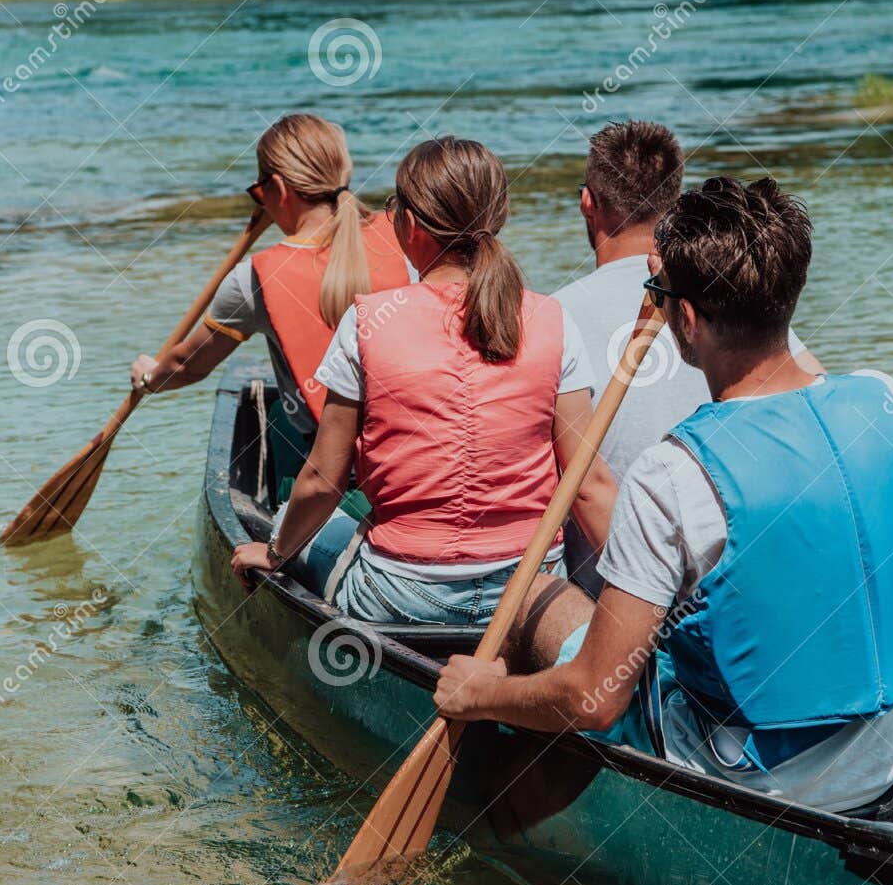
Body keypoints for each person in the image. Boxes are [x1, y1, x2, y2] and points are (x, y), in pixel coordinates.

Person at [432, 177, 893, 813]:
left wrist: (478, 694)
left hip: (764, 774)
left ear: (682, 318)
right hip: (892, 746)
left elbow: (594, 700)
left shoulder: (671, 474)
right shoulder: (886, 401)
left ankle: (511, 807)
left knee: (542, 599)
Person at [230, 137, 617, 625]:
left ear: (409, 225)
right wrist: (641, 602)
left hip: (401, 593)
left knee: (289, 516)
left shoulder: (366, 321)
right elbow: (589, 487)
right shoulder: (551, 318)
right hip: (527, 591)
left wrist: (275, 553)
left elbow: (324, 480)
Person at [554, 121, 825, 595]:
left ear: (587, 203)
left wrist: (661, 600)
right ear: (675, 205)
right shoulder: (732, 294)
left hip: (628, 599)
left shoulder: (551, 314)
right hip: (741, 572)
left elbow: (588, 488)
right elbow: (813, 393)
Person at [129, 114, 411, 437]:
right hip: (409, 446)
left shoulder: (253, 279)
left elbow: (188, 365)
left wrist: (149, 377)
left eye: (259, 193)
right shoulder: (403, 234)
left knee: (281, 423)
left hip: (330, 468)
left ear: (277, 188)